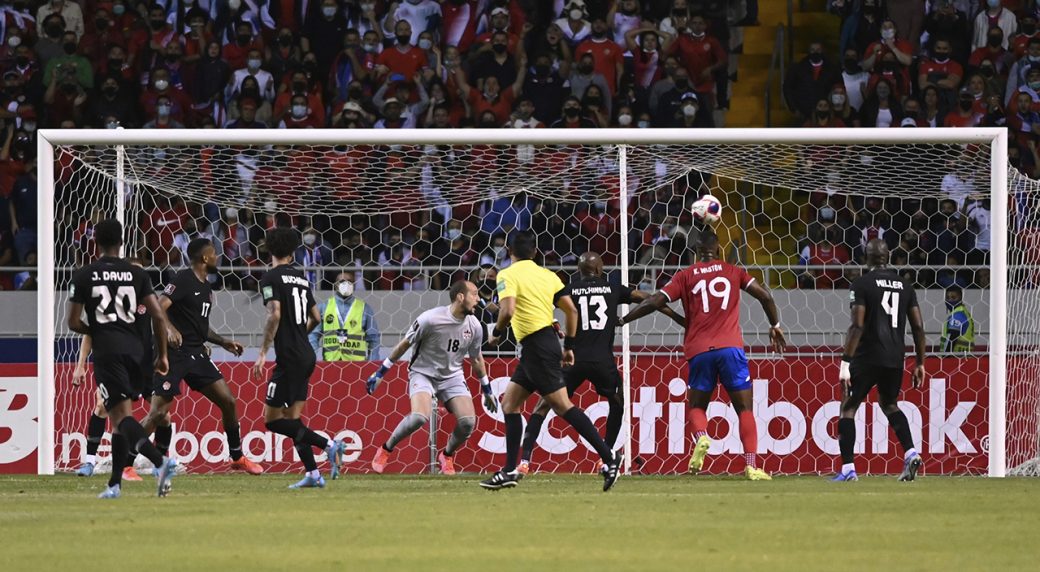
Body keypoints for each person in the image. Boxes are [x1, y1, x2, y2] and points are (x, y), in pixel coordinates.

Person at [620, 226, 785, 481]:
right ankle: (751, 465)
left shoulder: (685, 275)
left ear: (696, 251)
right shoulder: (733, 271)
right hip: (731, 348)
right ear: (718, 248)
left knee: (697, 406)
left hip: (699, 351)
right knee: (745, 409)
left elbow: (654, 301)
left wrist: (625, 319)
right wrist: (774, 326)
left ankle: (701, 437)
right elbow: (764, 296)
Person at [517, 252, 684, 474]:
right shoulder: (613, 288)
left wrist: (555, 325)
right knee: (618, 402)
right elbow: (651, 299)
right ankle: (605, 457)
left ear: (579, 270)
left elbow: (539, 307)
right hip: (602, 361)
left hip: (573, 359)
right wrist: (675, 317)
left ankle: (525, 461)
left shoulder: (570, 289)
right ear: (599, 269)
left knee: (543, 405)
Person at [479, 230, 621, 491]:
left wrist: (496, 333)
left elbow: (507, 310)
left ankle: (609, 456)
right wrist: (569, 346)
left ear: (510, 252)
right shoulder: (549, 276)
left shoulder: (506, 275)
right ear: (535, 253)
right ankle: (510, 469)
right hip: (543, 345)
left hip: (537, 347)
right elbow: (571, 309)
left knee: (562, 406)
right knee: (510, 404)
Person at [66, 219, 177, 498]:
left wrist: (99, 330)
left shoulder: (84, 275)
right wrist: (162, 355)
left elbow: (73, 322)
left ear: (96, 243)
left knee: (120, 416)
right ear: (121, 242)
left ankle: (161, 463)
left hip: (109, 353)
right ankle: (114, 484)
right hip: (137, 353)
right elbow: (157, 316)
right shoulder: (138, 275)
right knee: (118, 422)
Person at [143, 238, 262, 475]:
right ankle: (126, 461)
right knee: (158, 412)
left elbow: (200, 327)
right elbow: (158, 307)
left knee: (227, 401)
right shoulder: (183, 280)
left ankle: (237, 457)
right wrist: (169, 328)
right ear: (205, 258)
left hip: (197, 353)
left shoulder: (206, 287)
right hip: (175, 353)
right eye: (214, 255)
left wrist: (223, 342)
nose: (217, 258)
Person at [365, 280, 498, 475]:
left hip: (452, 376)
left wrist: (487, 390)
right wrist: (380, 373)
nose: (478, 299)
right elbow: (404, 344)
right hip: (423, 373)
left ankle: (447, 455)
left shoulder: (475, 326)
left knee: (468, 422)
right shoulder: (430, 319)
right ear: (460, 297)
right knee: (419, 417)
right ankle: (386, 448)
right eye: (474, 294)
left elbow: (476, 358)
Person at [253, 228, 346, 489]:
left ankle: (329, 444)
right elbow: (316, 317)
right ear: (294, 252)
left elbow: (274, 314)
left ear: (269, 250)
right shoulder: (303, 279)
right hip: (306, 354)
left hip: (290, 357)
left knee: (272, 421)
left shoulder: (270, 277)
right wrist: (298, 336)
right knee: (293, 421)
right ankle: (314, 474)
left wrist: (262, 353)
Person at [833, 239, 926, 482]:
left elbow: (857, 326)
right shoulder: (905, 285)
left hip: (866, 357)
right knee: (889, 404)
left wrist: (844, 364)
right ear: (888, 256)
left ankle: (848, 470)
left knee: (848, 408)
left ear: (866, 257)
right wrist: (920, 363)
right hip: (895, 357)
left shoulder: (861, 284)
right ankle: (910, 452)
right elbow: (918, 326)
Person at [73, 258, 155, 482]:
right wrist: (80, 365)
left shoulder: (148, 303)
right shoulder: (114, 306)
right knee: (102, 406)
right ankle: (90, 461)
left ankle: (152, 462)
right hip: (115, 362)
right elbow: (91, 333)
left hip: (143, 366)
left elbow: (161, 322)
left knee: (161, 412)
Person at [309, 271, 381, 361]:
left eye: (349, 281)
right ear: (335, 285)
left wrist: (372, 364)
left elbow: (374, 339)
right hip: (330, 364)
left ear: (354, 285)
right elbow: (313, 336)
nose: (346, 284)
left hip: (357, 365)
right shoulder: (324, 307)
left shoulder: (364, 308)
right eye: (342, 281)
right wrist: (313, 360)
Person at [939, 285, 974, 354]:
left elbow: (952, 337)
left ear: (960, 298)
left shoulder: (958, 315)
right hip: (964, 357)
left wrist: (945, 357)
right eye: (948, 298)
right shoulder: (964, 312)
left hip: (955, 358)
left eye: (953, 297)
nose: (950, 300)